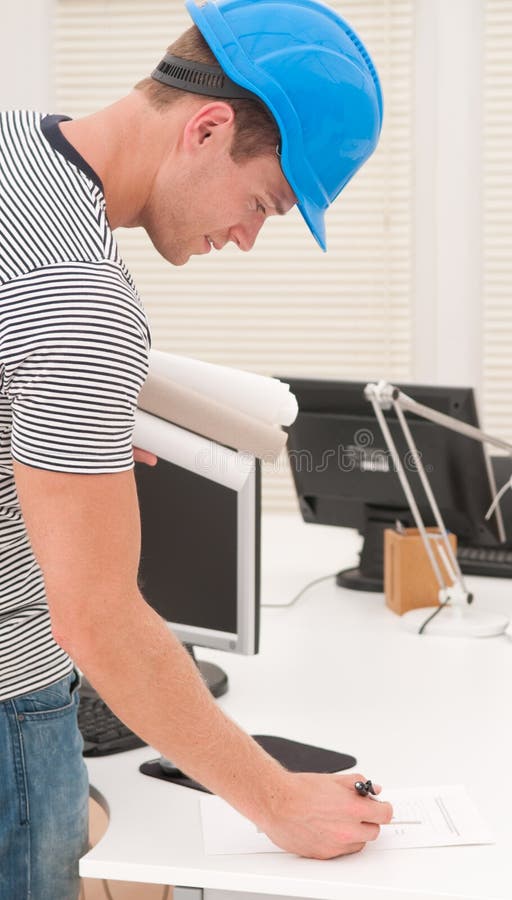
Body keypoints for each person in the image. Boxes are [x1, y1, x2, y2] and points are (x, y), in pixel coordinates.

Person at [0, 0, 391, 897]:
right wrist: (276, 800)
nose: (247, 237)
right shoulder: (80, 293)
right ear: (208, 127)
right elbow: (94, 618)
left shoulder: (17, 140)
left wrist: (52, 431)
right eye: (262, 202)